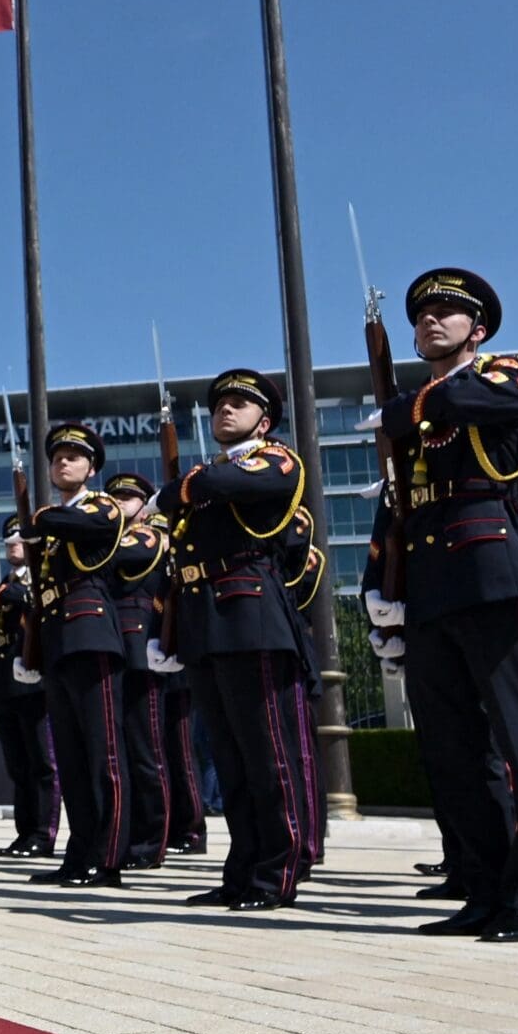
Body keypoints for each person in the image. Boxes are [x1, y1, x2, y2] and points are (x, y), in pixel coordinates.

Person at [364, 269, 518, 942]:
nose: (430, 324)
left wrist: (406, 409)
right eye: (422, 316)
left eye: (448, 314)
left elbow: (481, 401)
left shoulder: (506, 374)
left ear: (478, 329)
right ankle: (481, 890)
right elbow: (398, 505)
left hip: (491, 572)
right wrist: (383, 592)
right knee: (451, 752)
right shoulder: (423, 402)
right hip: (428, 585)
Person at [154, 371, 310, 912]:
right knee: (231, 757)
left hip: (251, 614)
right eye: (221, 403)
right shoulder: (214, 471)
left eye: (240, 403)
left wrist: (183, 488)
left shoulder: (274, 459)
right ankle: (241, 869)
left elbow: (227, 487)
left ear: (264, 420)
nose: (226, 409)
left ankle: (278, 871)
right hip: (207, 620)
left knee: (268, 755)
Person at [21, 425, 130, 889]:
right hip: (57, 639)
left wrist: (41, 520)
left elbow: (97, 527)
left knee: (103, 752)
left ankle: (109, 857)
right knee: (70, 757)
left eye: (73, 457)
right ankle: (78, 853)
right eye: (57, 457)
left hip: (91, 631)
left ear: (91, 468)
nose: (63, 463)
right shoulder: (54, 517)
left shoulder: (98, 505)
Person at [105, 473, 173, 871]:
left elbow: (123, 558)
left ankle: (152, 840)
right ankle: (126, 834)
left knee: (146, 750)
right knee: (121, 752)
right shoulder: (109, 538)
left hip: (139, 646)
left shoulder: (148, 537)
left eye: (129, 497)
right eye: (115, 497)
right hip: (113, 645)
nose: (120, 502)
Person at [0, 516, 58, 859]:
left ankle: (44, 833)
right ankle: (25, 832)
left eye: (19, 536)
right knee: (18, 764)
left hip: (35, 683)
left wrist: (3, 593)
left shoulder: (41, 575)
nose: (13, 541)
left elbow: (30, 601)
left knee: (42, 763)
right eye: (8, 537)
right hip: (5, 683)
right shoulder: (5, 582)